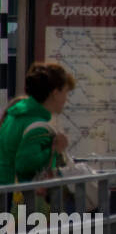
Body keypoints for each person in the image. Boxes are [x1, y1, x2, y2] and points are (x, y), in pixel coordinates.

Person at [0, 61, 77, 212]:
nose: (65, 100)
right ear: (55, 93)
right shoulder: (38, 125)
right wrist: (55, 149)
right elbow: (26, 164)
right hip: (16, 200)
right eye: (65, 93)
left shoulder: (16, 114)